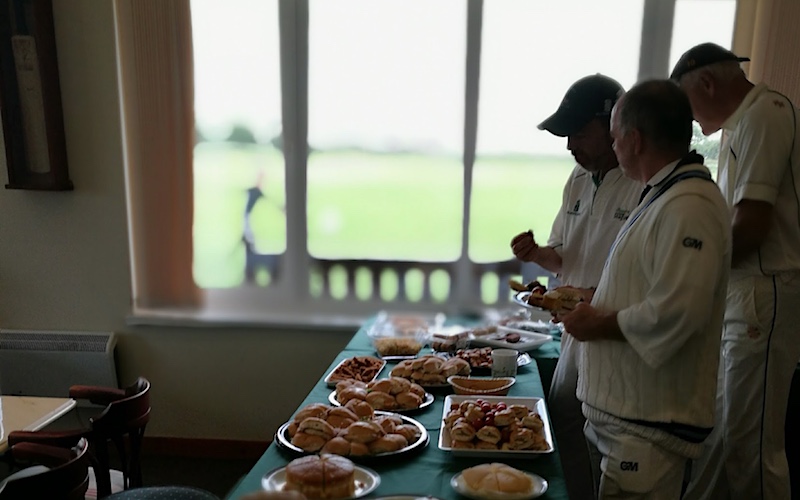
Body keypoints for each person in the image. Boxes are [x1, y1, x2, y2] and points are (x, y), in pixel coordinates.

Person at [560, 79, 731, 499]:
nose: (614, 149)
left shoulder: (689, 205)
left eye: (615, 138)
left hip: (647, 430)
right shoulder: (663, 196)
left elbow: (677, 313)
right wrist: (589, 300)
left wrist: (597, 322)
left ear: (634, 140)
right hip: (624, 420)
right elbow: (642, 288)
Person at [671, 42, 800, 500]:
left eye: (685, 106)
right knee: (720, 436)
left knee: (752, 448)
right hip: (741, 294)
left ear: (706, 83)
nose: (687, 121)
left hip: (764, 291)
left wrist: (692, 276)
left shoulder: (765, 112)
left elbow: (752, 225)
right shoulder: (740, 126)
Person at [510, 74, 642, 500]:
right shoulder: (578, 180)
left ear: (614, 127)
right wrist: (536, 255)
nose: (570, 146)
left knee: (602, 434)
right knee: (562, 411)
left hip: (615, 329)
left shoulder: (643, 181)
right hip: (573, 325)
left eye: (579, 133)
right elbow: (563, 256)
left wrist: (592, 297)